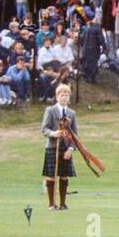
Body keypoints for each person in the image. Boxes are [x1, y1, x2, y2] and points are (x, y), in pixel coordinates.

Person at [41, 82, 78, 210]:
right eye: (62, 95)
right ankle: (52, 204)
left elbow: (75, 135)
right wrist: (54, 133)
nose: (64, 97)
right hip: (52, 147)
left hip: (65, 149)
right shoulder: (50, 110)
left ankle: (63, 203)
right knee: (51, 175)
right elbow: (44, 129)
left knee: (64, 175)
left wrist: (71, 148)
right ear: (57, 97)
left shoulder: (72, 114)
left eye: (67, 95)